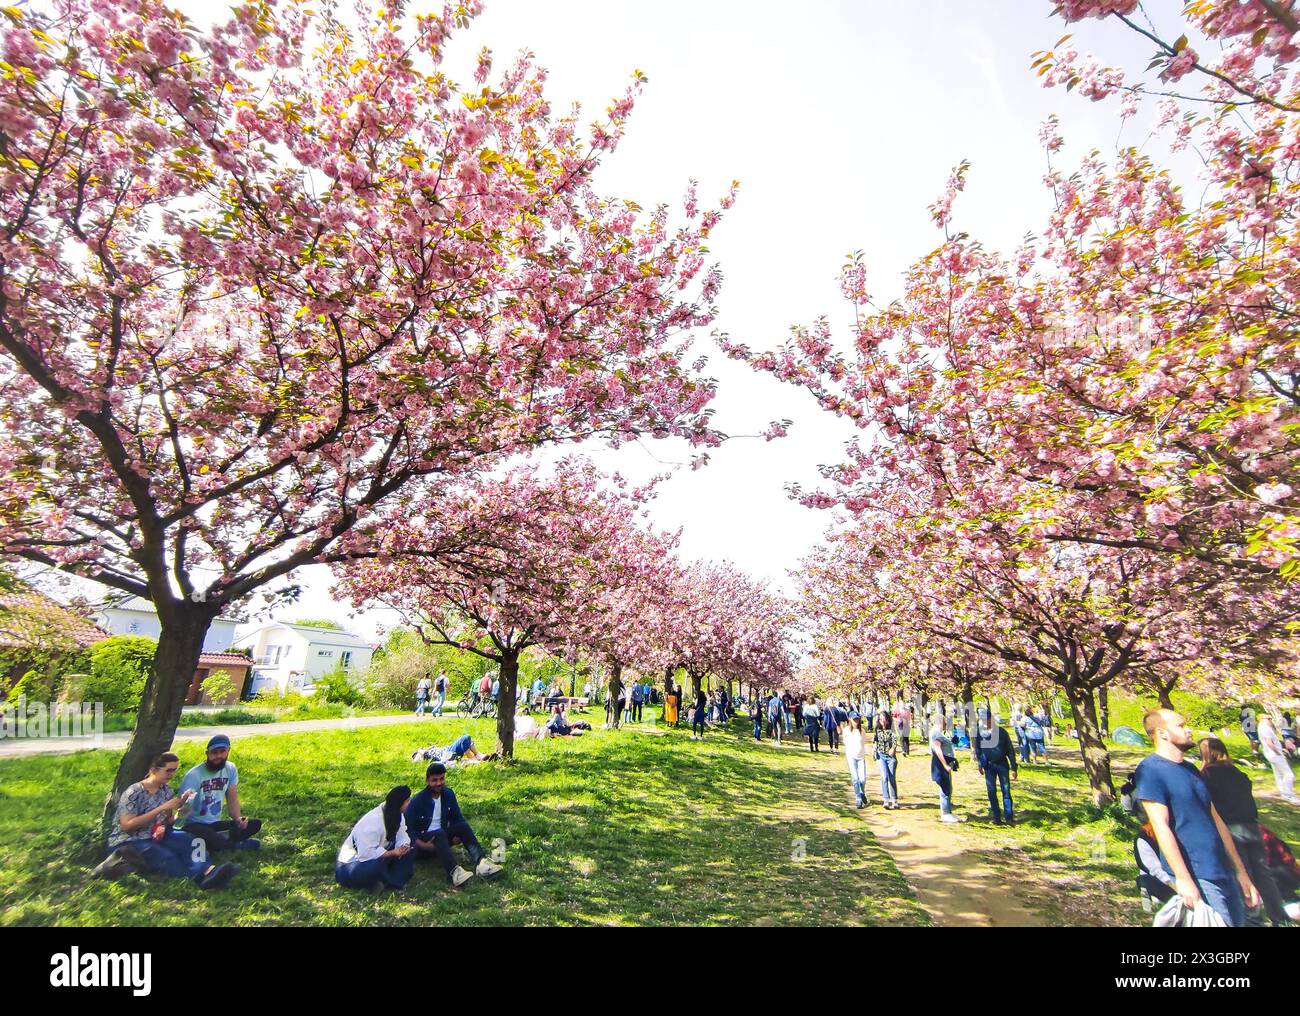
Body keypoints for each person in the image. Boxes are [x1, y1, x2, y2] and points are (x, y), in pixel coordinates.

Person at [1134, 709, 1260, 927]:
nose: (1188, 729)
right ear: (1162, 733)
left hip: (1222, 869)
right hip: (1197, 874)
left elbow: (1216, 821)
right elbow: (1160, 826)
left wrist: (1241, 873)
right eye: (1181, 726)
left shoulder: (1191, 769)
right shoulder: (1150, 770)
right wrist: (1182, 878)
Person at [98, 751, 241, 889]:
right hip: (130, 840)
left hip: (155, 835)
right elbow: (127, 826)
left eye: (174, 770)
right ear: (154, 770)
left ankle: (208, 869)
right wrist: (161, 808)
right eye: (168, 771)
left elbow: (168, 821)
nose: (172, 775)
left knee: (191, 840)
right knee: (165, 855)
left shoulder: (166, 791)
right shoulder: (134, 792)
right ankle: (198, 878)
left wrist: (183, 809)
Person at [1198, 736, 1291, 925]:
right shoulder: (1239, 773)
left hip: (1230, 828)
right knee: (1263, 874)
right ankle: (1279, 918)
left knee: (1243, 874)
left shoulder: (1206, 776)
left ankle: (1253, 919)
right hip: (1252, 826)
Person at [406, 762, 503, 888]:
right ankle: (454, 872)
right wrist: (424, 845)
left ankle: (481, 862)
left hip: (442, 838)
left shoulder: (448, 794)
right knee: (439, 833)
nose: (439, 783)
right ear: (427, 781)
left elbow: (457, 818)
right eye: (434, 780)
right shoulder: (417, 801)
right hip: (423, 844)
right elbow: (407, 831)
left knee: (462, 826)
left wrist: (458, 835)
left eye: (441, 779)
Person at [178, 734, 263, 853]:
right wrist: (184, 805)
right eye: (214, 753)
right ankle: (232, 845)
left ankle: (218, 842)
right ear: (207, 753)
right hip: (193, 824)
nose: (218, 756)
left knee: (255, 824)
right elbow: (182, 809)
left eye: (222, 751)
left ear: (228, 751)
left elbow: (232, 798)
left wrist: (238, 820)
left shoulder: (231, 769)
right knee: (204, 833)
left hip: (214, 824)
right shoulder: (193, 775)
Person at [335, 785, 415, 892]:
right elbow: (366, 854)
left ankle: (395, 882)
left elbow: (401, 834)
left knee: (411, 843)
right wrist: (393, 853)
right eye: (407, 801)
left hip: (378, 855)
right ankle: (383, 881)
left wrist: (403, 846)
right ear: (399, 803)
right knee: (376, 866)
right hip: (351, 865)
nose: (408, 804)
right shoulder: (373, 822)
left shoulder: (397, 815)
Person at [974, 713, 1018, 825]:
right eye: (982, 720)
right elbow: (978, 749)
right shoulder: (980, 733)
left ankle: (1009, 817)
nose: (984, 722)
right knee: (991, 791)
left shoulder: (1001, 732)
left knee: (1006, 790)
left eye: (986, 719)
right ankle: (996, 816)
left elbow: (1010, 750)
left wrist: (1014, 767)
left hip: (1002, 764)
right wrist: (980, 764)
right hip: (988, 765)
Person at [1258, 714, 1299, 804]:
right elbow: (1269, 742)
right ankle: (1288, 794)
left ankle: (1283, 792)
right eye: (1268, 718)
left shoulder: (1262, 727)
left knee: (1278, 774)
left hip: (1270, 753)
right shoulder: (1265, 728)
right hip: (1274, 754)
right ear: (1262, 719)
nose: (1270, 720)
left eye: (1270, 718)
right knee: (1289, 774)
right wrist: (1278, 752)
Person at [929, 723, 960, 823]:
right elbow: (938, 749)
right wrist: (945, 765)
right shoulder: (935, 734)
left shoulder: (939, 734)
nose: (946, 725)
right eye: (945, 723)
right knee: (945, 788)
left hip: (945, 763)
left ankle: (948, 812)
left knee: (947, 787)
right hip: (941, 764)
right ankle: (945, 813)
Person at [842, 715, 869, 808]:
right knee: (855, 779)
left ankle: (862, 792)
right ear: (850, 720)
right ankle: (858, 798)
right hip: (851, 757)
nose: (856, 722)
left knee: (862, 779)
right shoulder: (846, 731)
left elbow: (863, 742)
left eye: (857, 719)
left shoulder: (862, 731)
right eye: (854, 720)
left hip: (861, 757)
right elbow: (845, 742)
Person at [874, 711, 899, 809]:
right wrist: (874, 748)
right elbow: (875, 740)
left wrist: (893, 748)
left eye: (884, 720)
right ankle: (886, 799)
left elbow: (894, 741)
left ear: (888, 720)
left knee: (891, 777)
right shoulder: (877, 729)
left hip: (890, 757)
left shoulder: (892, 729)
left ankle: (894, 799)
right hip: (881, 756)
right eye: (880, 720)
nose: (882, 722)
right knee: (884, 777)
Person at [411, 733, 482, 765]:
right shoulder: (426, 754)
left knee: (468, 741)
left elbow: (432, 746)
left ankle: (478, 755)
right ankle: (473, 758)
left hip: (450, 751)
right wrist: (419, 750)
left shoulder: (431, 750)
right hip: (448, 753)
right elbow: (419, 756)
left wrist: (429, 748)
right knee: (466, 737)